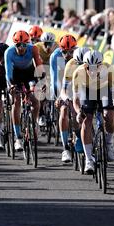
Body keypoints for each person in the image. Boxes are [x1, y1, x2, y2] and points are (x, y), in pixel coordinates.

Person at [72, 50, 114, 174]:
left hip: (104, 90)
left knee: (109, 115)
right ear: (85, 65)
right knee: (86, 120)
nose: (93, 71)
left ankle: (109, 142)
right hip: (87, 91)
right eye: (90, 67)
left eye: (96, 67)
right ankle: (89, 160)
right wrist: (79, 112)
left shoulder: (109, 70)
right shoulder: (78, 72)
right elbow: (76, 99)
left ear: (101, 65)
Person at [5, 30, 45, 154]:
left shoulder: (33, 49)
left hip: (29, 74)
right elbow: (8, 73)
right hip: (15, 75)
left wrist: (42, 82)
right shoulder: (9, 52)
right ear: (14, 45)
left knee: (36, 102)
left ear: (27, 44)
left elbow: (38, 66)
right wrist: (12, 85)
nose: (21, 48)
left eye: (24, 45)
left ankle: (32, 126)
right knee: (16, 101)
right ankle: (18, 137)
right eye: (18, 45)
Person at [57, 46, 90, 163]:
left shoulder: (93, 64)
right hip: (72, 89)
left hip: (88, 88)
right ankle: (65, 148)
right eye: (78, 63)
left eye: (84, 64)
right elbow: (64, 89)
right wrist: (66, 99)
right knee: (65, 110)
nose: (81, 66)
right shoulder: (70, 65)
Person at [49, 34, 78, 162]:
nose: (67, 55)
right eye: (64, 52)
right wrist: (59, 97)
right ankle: (65, 148)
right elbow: (56, 80)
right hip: (62, 84)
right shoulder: (55, 56)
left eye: (70, 52)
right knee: (64, 110)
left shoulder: (80, 55)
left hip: (77, 84)